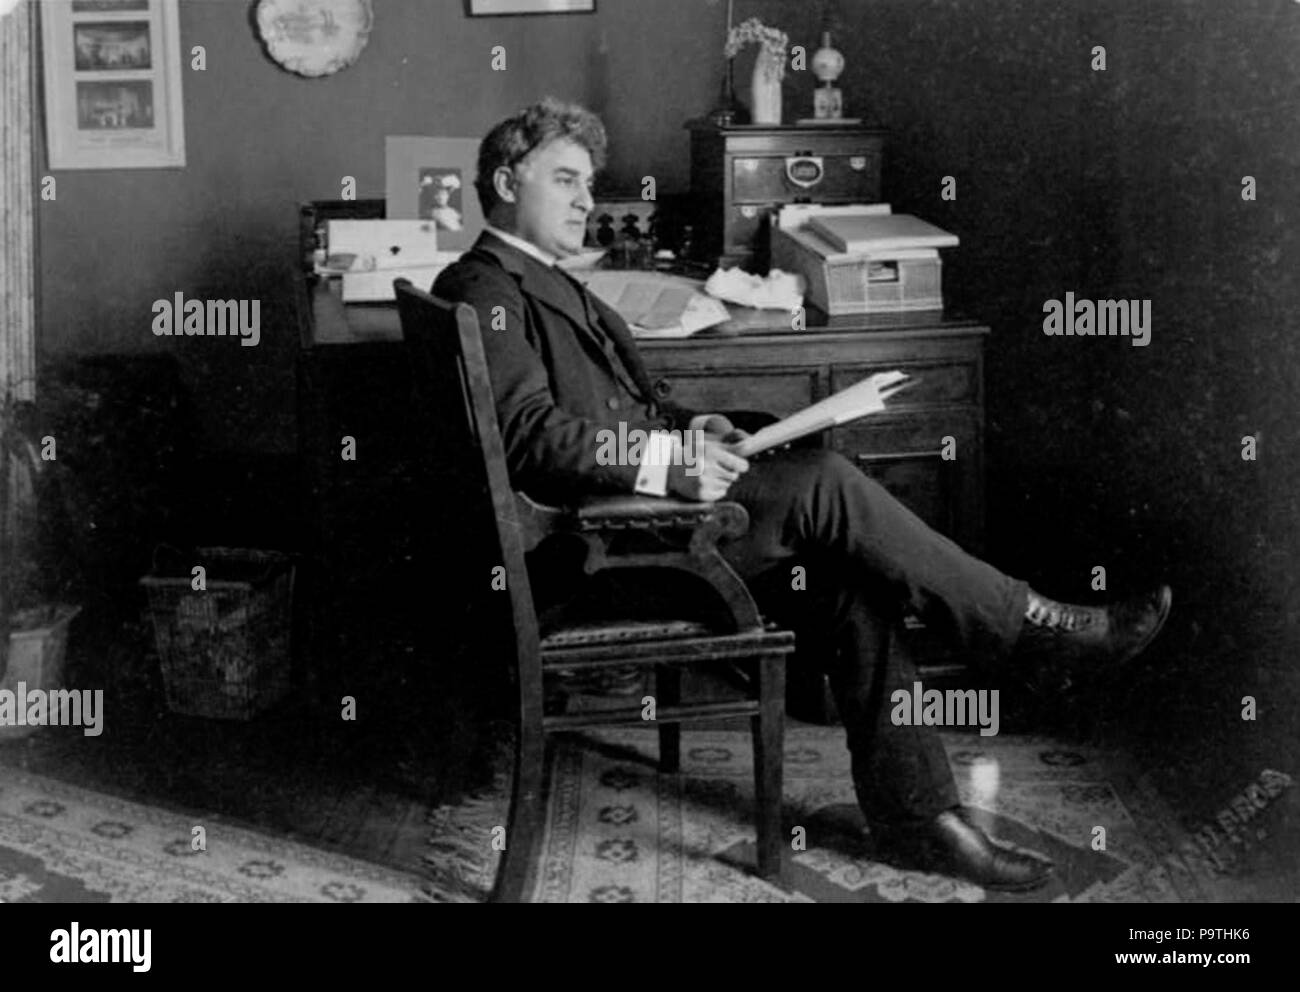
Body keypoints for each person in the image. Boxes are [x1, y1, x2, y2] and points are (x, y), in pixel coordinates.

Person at [433, 97, 1172, 893]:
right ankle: (1029, 628)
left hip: (636, 527)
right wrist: (669, 461)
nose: (587, 200)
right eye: (567, 180)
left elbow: (604, 411)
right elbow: (530, 438)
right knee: (824, 483)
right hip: (595, 556)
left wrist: (693, 426)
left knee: (854, 585)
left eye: (589, 182)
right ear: (507, 182)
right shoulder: (487, 289)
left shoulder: (536, 278)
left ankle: (919, 820)